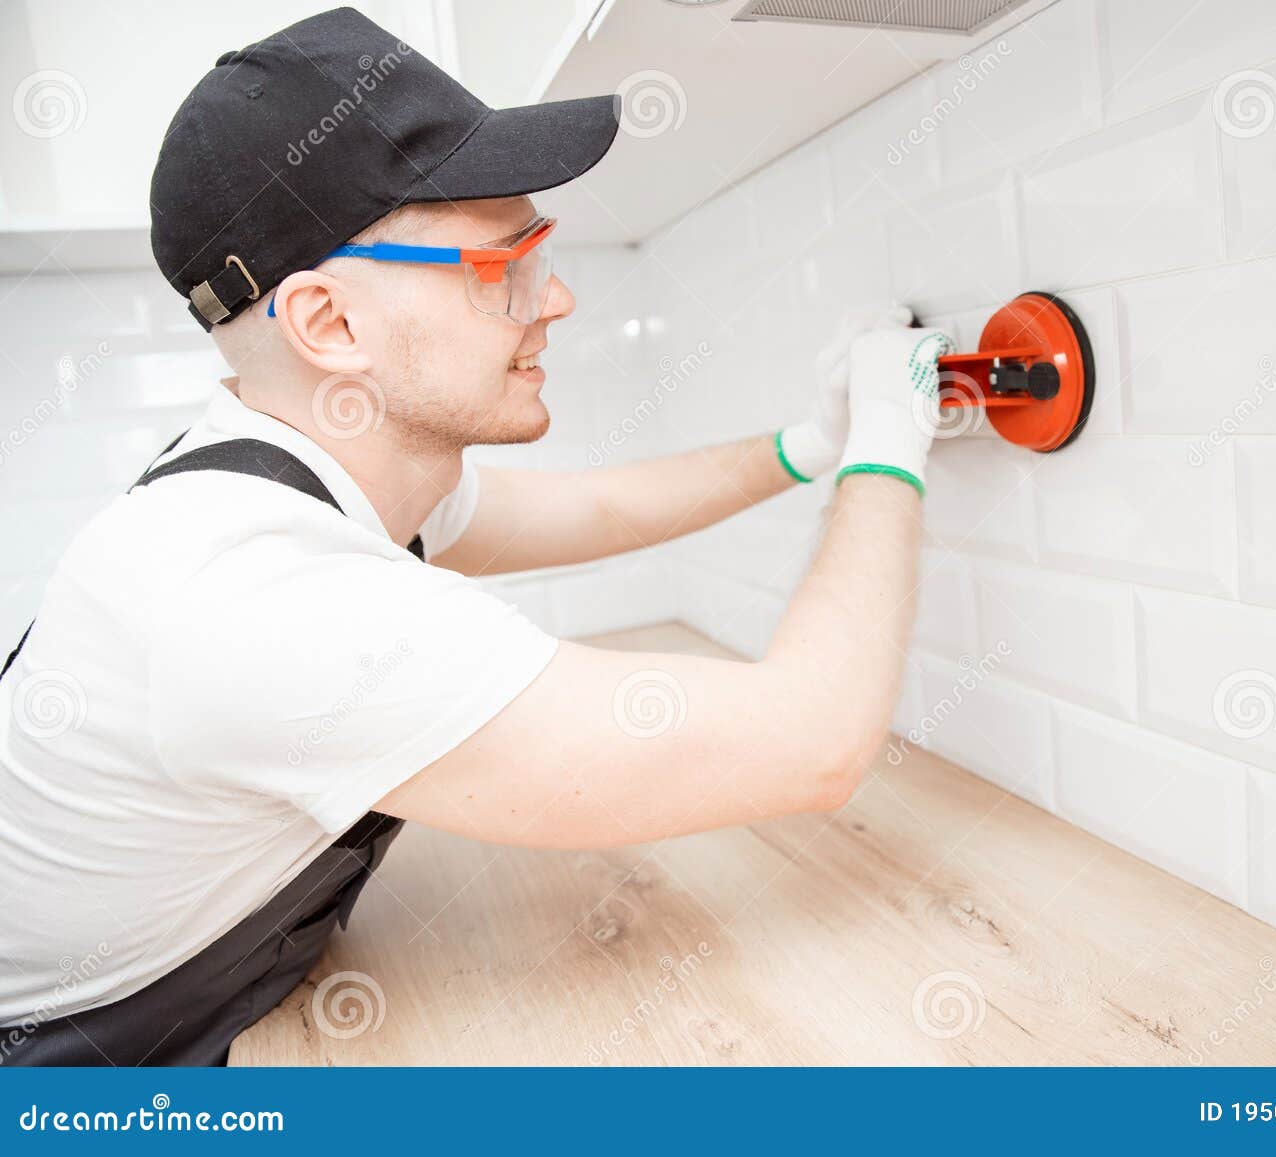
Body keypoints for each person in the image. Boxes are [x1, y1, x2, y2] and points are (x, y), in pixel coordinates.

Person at [0, 6, 952, 1065]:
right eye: (508, 265)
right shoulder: (256, 597)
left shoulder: (312, 471)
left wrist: (811, 442)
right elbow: (813, 739)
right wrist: (889, 448)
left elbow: (590, 509)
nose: (559, 299)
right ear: (330, 326)